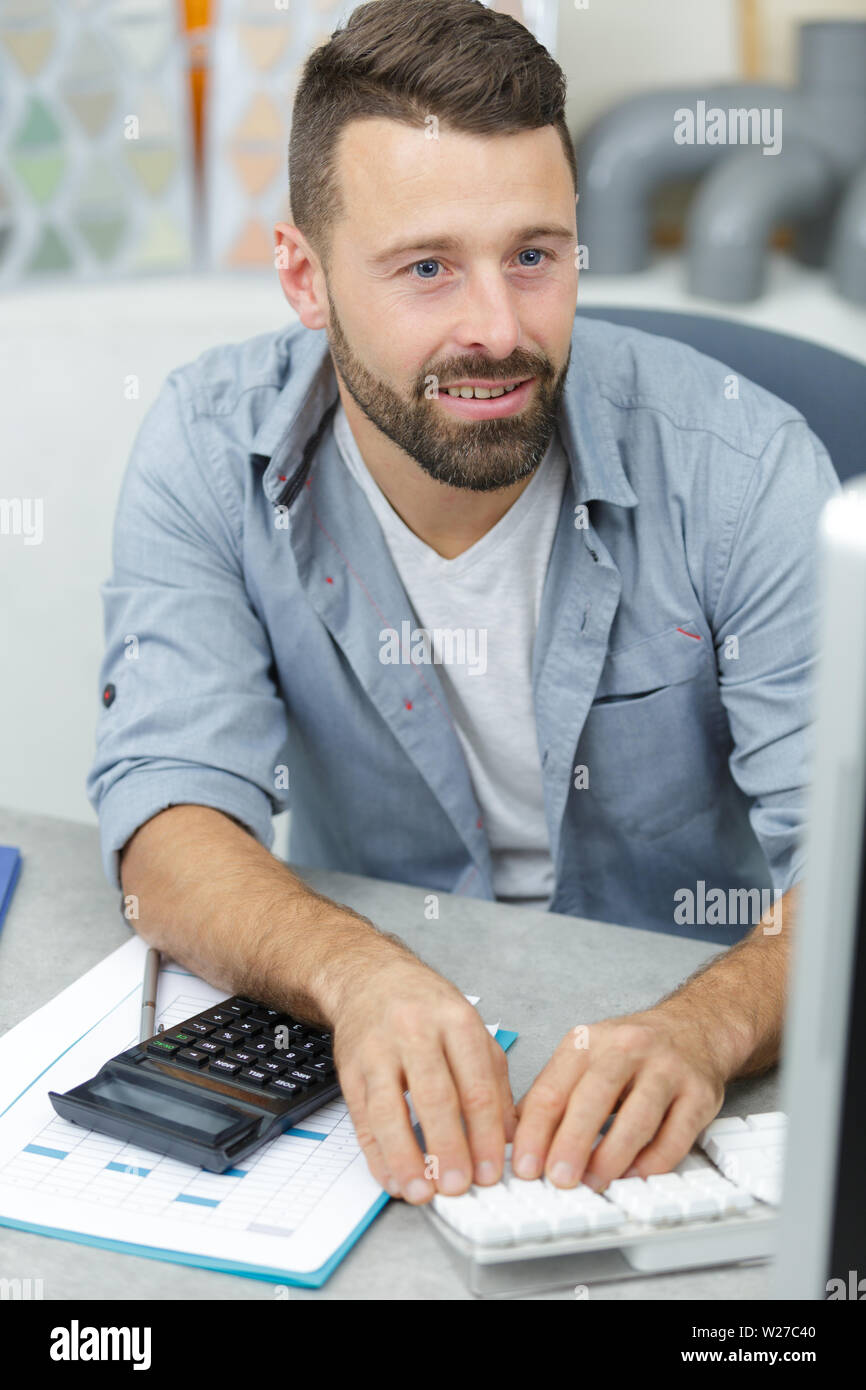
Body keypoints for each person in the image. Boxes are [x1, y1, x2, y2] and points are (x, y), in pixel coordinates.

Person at [87, 0, 839, 1205]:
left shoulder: (742, 467)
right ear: (304, 275)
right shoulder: (207, 444)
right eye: (427, 267)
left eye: (533, 255)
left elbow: (851, 863)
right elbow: (167, 820)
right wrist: (352, 973)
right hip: (377, 1056)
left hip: (682, 1061)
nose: (496, 329)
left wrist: (707, 1025)